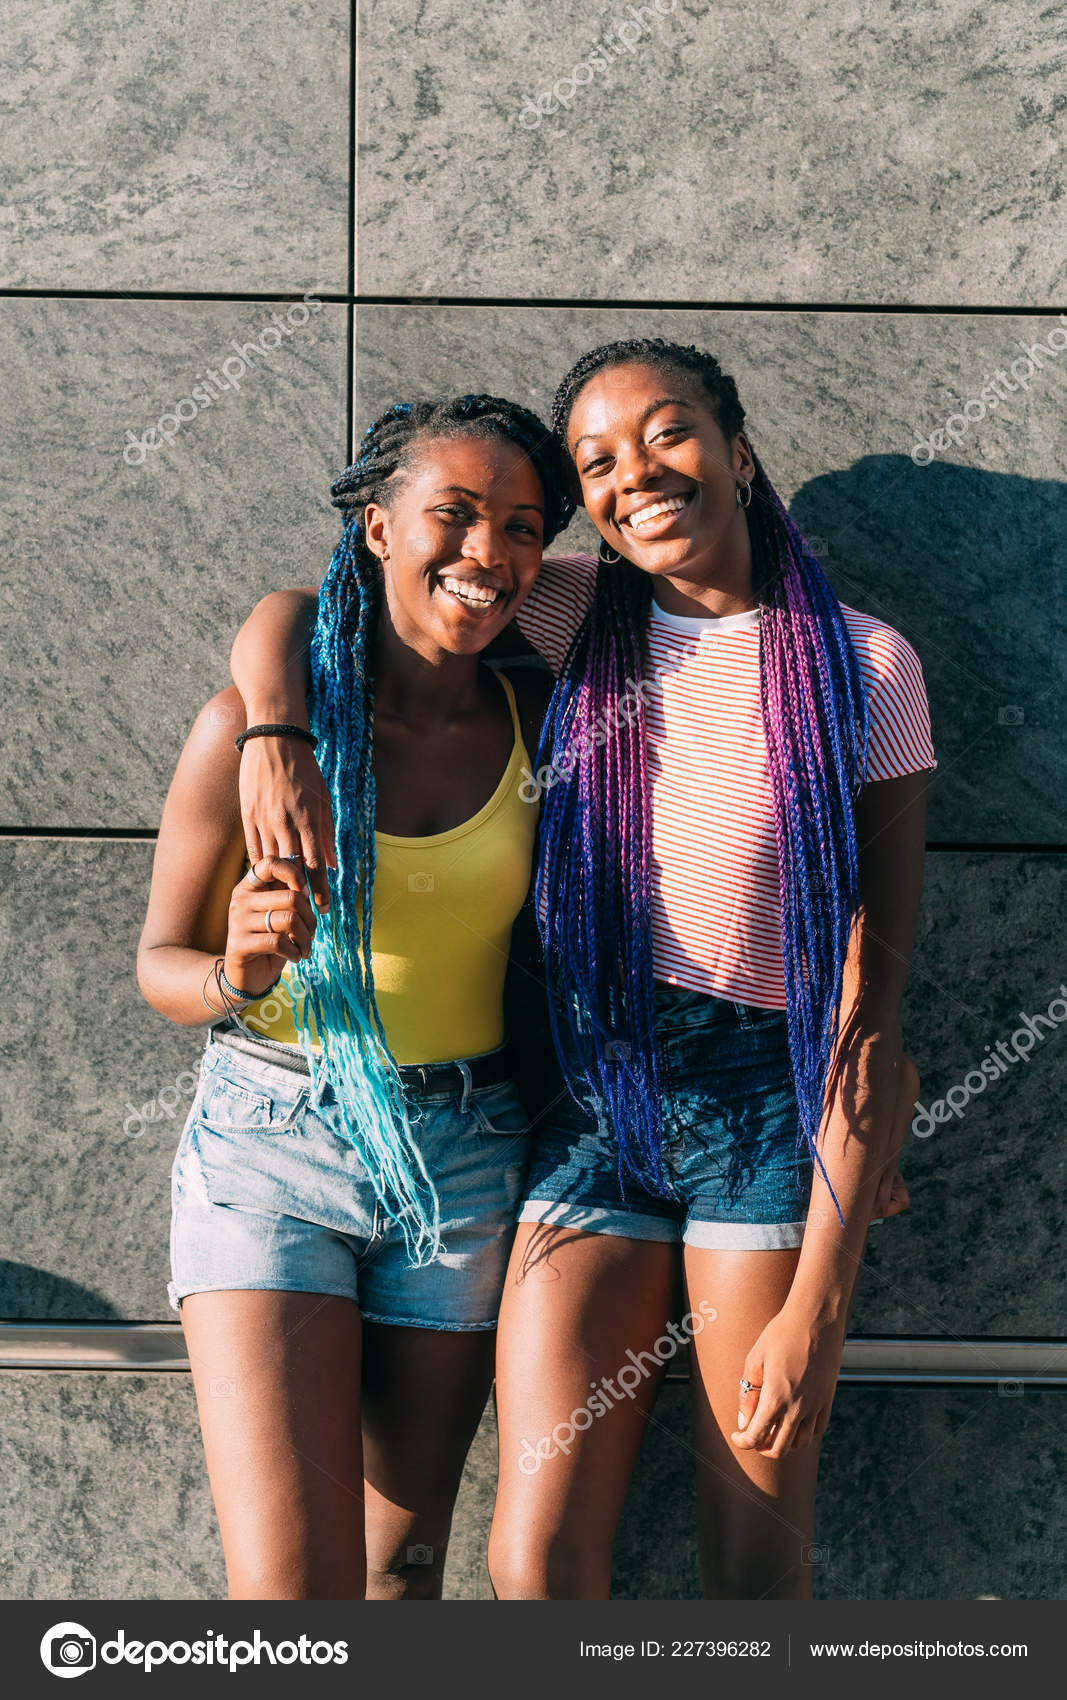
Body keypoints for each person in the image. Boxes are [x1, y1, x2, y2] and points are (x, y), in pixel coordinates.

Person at [227, 338, 933, 1601]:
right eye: (597, 462)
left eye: (665, 434)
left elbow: (870, 1014)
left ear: (736, 447)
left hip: (769, 1102)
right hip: (593, 1094)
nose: (634, 475)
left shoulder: (863, 666)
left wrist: (819, 1301)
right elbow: (309, 601)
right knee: (534, 1560)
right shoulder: (566, 608)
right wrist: (273, 736)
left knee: (753, 1553)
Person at [136, 393, 572, 1600]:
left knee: (400, 1568)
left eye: (524, 525)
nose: (489, 552)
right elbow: (159, 964)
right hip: (272, 1142)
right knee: (290, 1592)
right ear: (376, 528)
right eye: (456, 513)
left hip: (468, 1156)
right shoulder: (250, 727)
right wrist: (236, 971)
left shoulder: (539, 719)